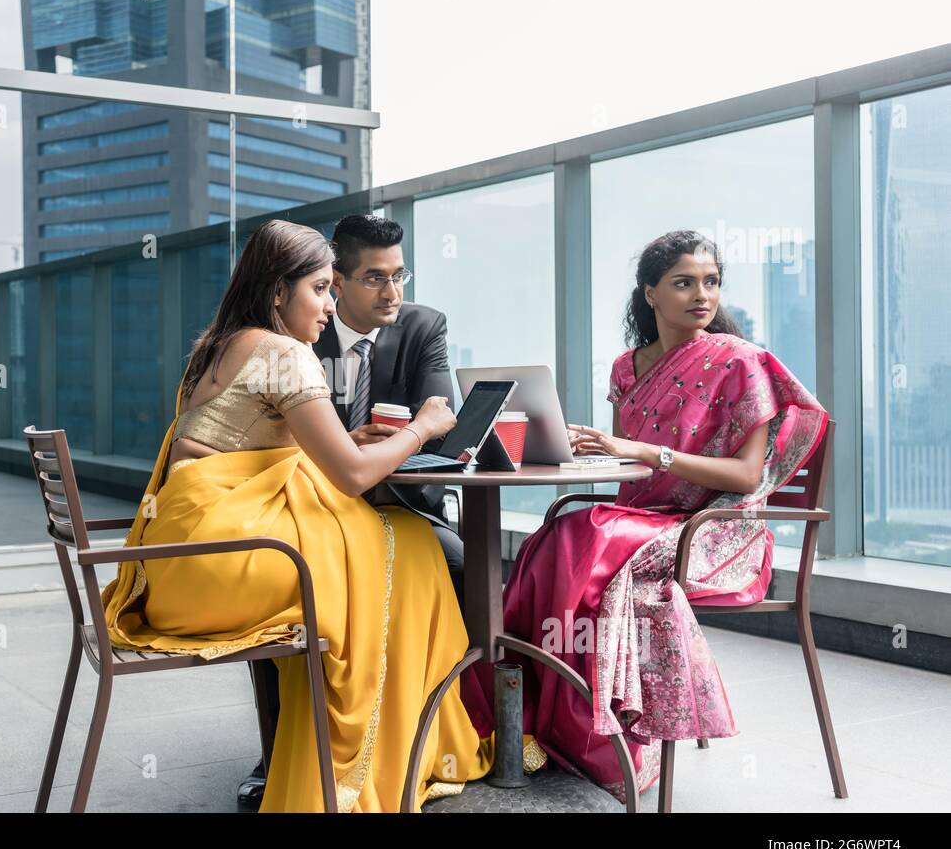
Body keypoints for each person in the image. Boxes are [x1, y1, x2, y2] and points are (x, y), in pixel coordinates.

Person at [100, 219, 494, 812]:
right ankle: (375, 763)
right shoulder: (287, 353)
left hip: (180, 560)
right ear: (279, 291)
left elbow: (250, 450)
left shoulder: (219, 343)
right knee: (412, 553)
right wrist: (423, 429)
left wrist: (349, 438)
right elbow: (354, 477)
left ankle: (335, 747)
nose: (332, 307)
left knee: (390, 549)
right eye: (320, 290)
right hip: (224, 564)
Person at [459, 229, 828, 803]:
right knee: (553, 539)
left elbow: (745, 477)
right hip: (640, 517)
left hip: (716, 528)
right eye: (683, 283)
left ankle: (595, 738)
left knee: (585, 537)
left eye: (710, 282)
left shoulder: (741, 363)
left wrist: (638, 451)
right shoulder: (627, 368)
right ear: (650, 293)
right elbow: (636, 478)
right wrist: (588, 451)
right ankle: (531, 721)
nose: (701, 295)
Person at [239, 213, 465, 807]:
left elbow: (445, 430)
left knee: (463, 569)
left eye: (400, 276)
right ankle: (286, 751)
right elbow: (318, 445)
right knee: (308, 597)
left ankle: (423, 735)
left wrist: (371, 442)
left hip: (398, 507)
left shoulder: (423, 327)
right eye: (375, 278)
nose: (393, 293)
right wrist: (360, 443)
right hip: (309, 518)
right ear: (334, 281)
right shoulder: (292, 346)